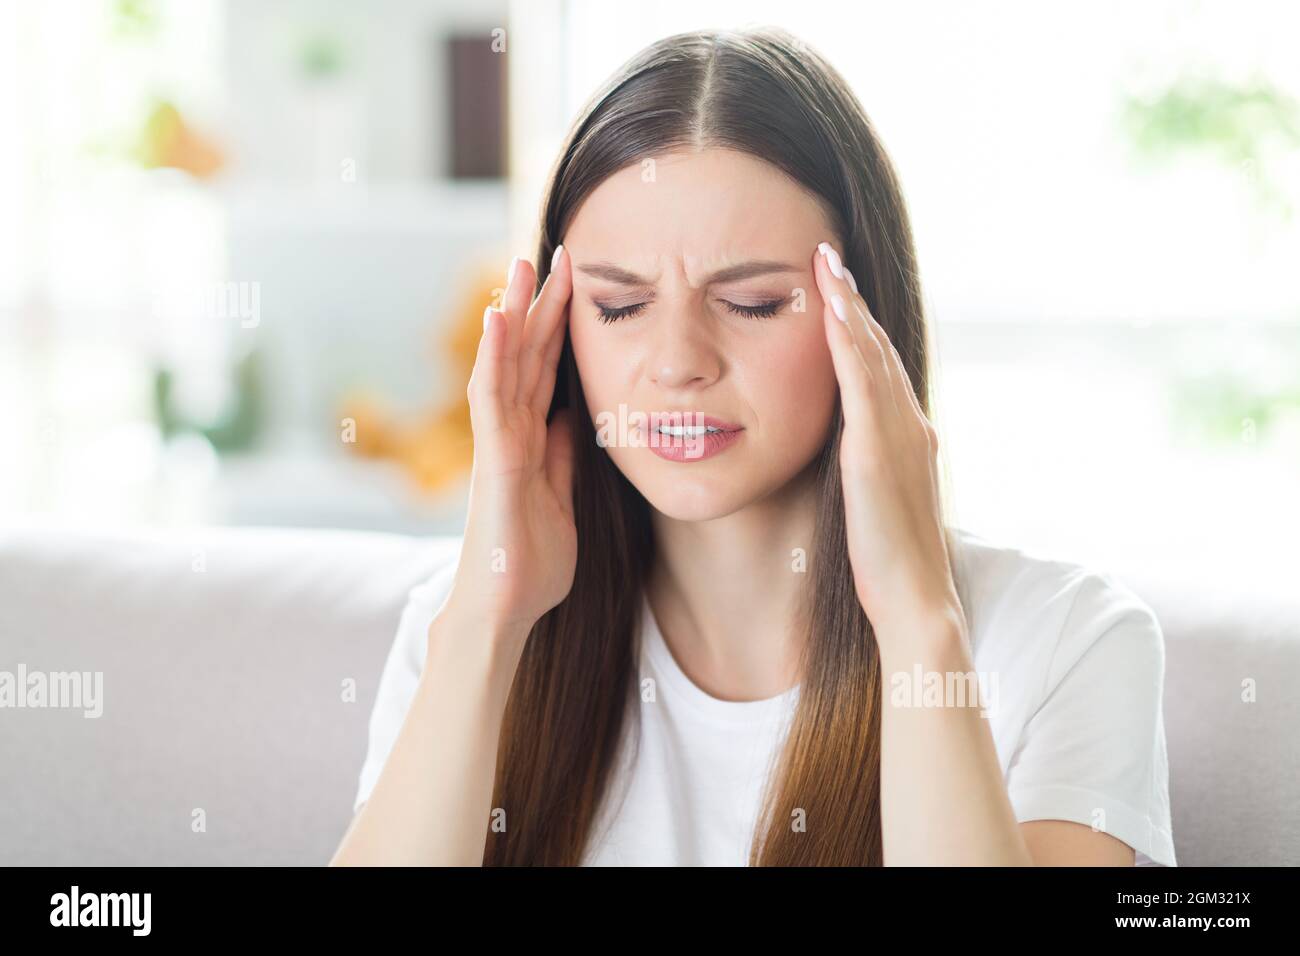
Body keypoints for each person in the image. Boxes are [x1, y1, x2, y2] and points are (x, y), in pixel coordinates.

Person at [330, 26, 1175, 867]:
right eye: (620, 306)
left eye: (754, 303)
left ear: (866, 317)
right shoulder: (461, 629)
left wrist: (921, 625)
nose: (676, 364)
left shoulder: (1070, 643)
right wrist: (488, 620)